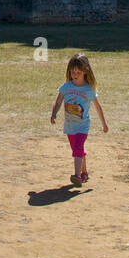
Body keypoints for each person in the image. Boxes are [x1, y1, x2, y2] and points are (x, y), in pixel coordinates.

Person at [50, 53, 107, 186]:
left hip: (83, 125)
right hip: (70, 126)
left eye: (78, 72)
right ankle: (84, 172)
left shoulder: (88, 90)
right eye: (73, 72)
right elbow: (58, 102)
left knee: (77, 148)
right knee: (77, 150)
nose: (75, 75)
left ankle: (77, 176)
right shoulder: (66, 87)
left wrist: (104, 124)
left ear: (85, 72)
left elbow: (98, 107)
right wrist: (53, 114)